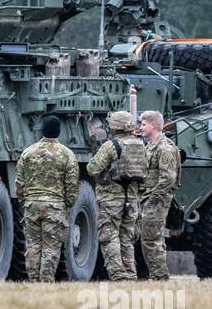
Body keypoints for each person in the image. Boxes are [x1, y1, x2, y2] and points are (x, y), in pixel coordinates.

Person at [14, 115, 80, 281]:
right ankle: (46, 280)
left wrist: (24, 202)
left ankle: (34, 280)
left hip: (31, 205)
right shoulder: (67, 154)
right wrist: (67, 205)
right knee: (51, 247)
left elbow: (19, 182)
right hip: (55, 206)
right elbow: (71, 185)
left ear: (42, 131)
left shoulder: (27, 152)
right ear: (58, 132)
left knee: (33, 246)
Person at [86, 110, 146, 281]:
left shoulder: (112, 145)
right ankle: (130, 274)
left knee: (109, 237)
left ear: (115, 126)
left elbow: (92, 169)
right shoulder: (140, 145)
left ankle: (118, 276)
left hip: (111, 198)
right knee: (126, 238)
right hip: (132, 199)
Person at [138, 110, 180, 281]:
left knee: (151, 240)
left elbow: (169, 177)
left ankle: (160, 276)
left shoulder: (164, 148)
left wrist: (153, 197)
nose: (140, 127)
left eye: (143, 124)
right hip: (149, 198)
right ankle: (157, 275)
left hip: (156, 200)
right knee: (152, 238)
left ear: (153, 125)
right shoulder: (151, 146)